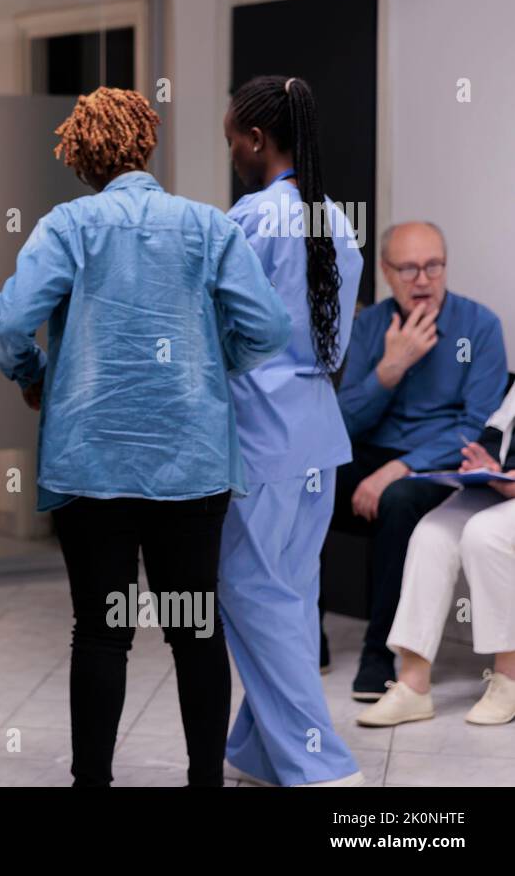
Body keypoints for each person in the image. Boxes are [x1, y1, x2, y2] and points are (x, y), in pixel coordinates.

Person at [0, 87, 290, 787]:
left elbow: (6, 324)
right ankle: (204, 783)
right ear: (146, 144)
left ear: (82, 158)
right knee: (194, 628)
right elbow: (269, 329)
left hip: (89, 464)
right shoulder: (208, 227)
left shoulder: (68, 226)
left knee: (100, 630)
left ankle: (92, 782)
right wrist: (218, 363)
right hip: (190, 463)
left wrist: (36, 376)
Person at [216, 75, 364, 786]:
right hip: (316, 434)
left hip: (260, 436)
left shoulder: (249, 218)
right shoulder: (337, 220)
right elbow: (335, 349)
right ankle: (259, 754)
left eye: (232, 140)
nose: (234, 154)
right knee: (294, 595)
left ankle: (323, 768)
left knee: (249, 591)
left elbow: (222, 329)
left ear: (255, 138)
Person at [329, 220, 506, 700]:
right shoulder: (369, 325)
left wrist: (398, 468)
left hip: (438, 465)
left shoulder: (480, 327)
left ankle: (378, 652)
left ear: (445, 268)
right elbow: (341, 425)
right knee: (309, 475)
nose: (422, 280)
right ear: (386, 272)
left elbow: (477, 428)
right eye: (408, 269)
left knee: (402, 498)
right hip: (372, 452)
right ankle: (308, 629)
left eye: (432, 266)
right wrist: (390, 369)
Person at [357, 381, 515, 728]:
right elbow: (497, 430)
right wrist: (484, 464)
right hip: (500, 488)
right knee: (432, 534)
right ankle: (413, 684)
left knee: (484, 535)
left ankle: (508, 677)